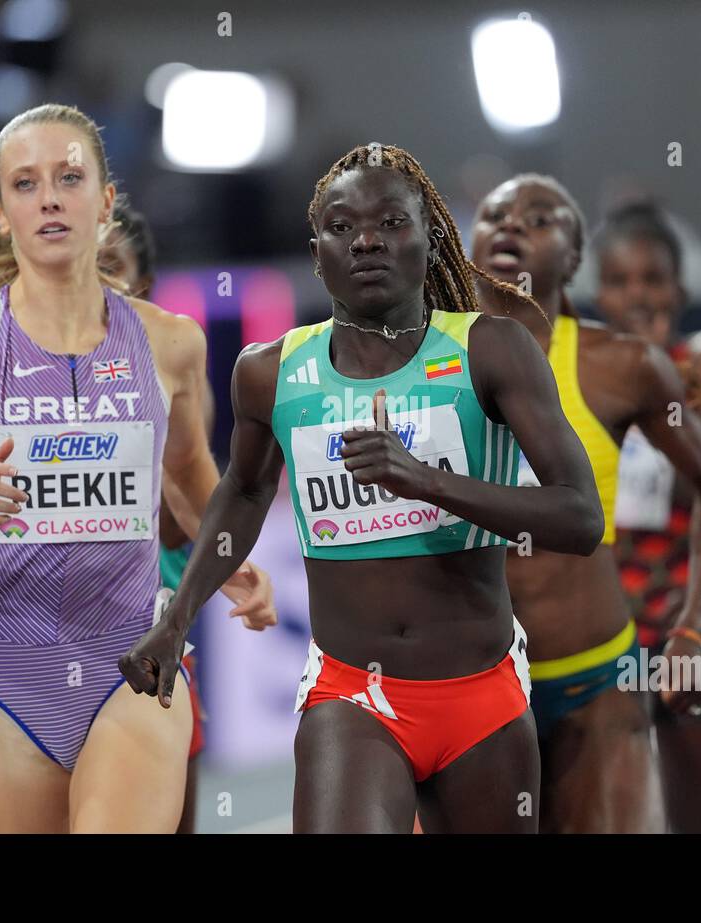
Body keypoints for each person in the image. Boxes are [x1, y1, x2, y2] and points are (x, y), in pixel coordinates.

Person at [121, 143, 604, 833]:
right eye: (341, 227)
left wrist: (425, 481)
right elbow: (247, 492)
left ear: (432, 237)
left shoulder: (489, 350)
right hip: (353, 691)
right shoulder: (271, 371)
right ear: (316, 252)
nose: (367, 239)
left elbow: (579, 516)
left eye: (390, 222)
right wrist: (175, 619)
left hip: (482, 695)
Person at [0, 103, 275, 833]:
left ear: (105, 201)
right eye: (26, 183)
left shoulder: (170, 342)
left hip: (134, 654)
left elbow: (187, 474)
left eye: (69, 177)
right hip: (4, 675)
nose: (49, 196)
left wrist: (231, 557)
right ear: (3, 209)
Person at [470, 176, 701, 833]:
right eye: (495, 214)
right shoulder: (424, 360)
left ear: (572, 258)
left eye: (539, 217)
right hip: (480, 688)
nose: (511, 225)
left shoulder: (622, 365)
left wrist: (694, 625)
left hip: (600, 678)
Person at [591, 201, 701, 833]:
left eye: (653, 280)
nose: (639, 294)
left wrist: (652, 379)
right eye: (623, 281)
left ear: (679, 290)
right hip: (603, 644)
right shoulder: (576, 371)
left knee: (696, 827)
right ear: (599, 291)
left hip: (686, 635)